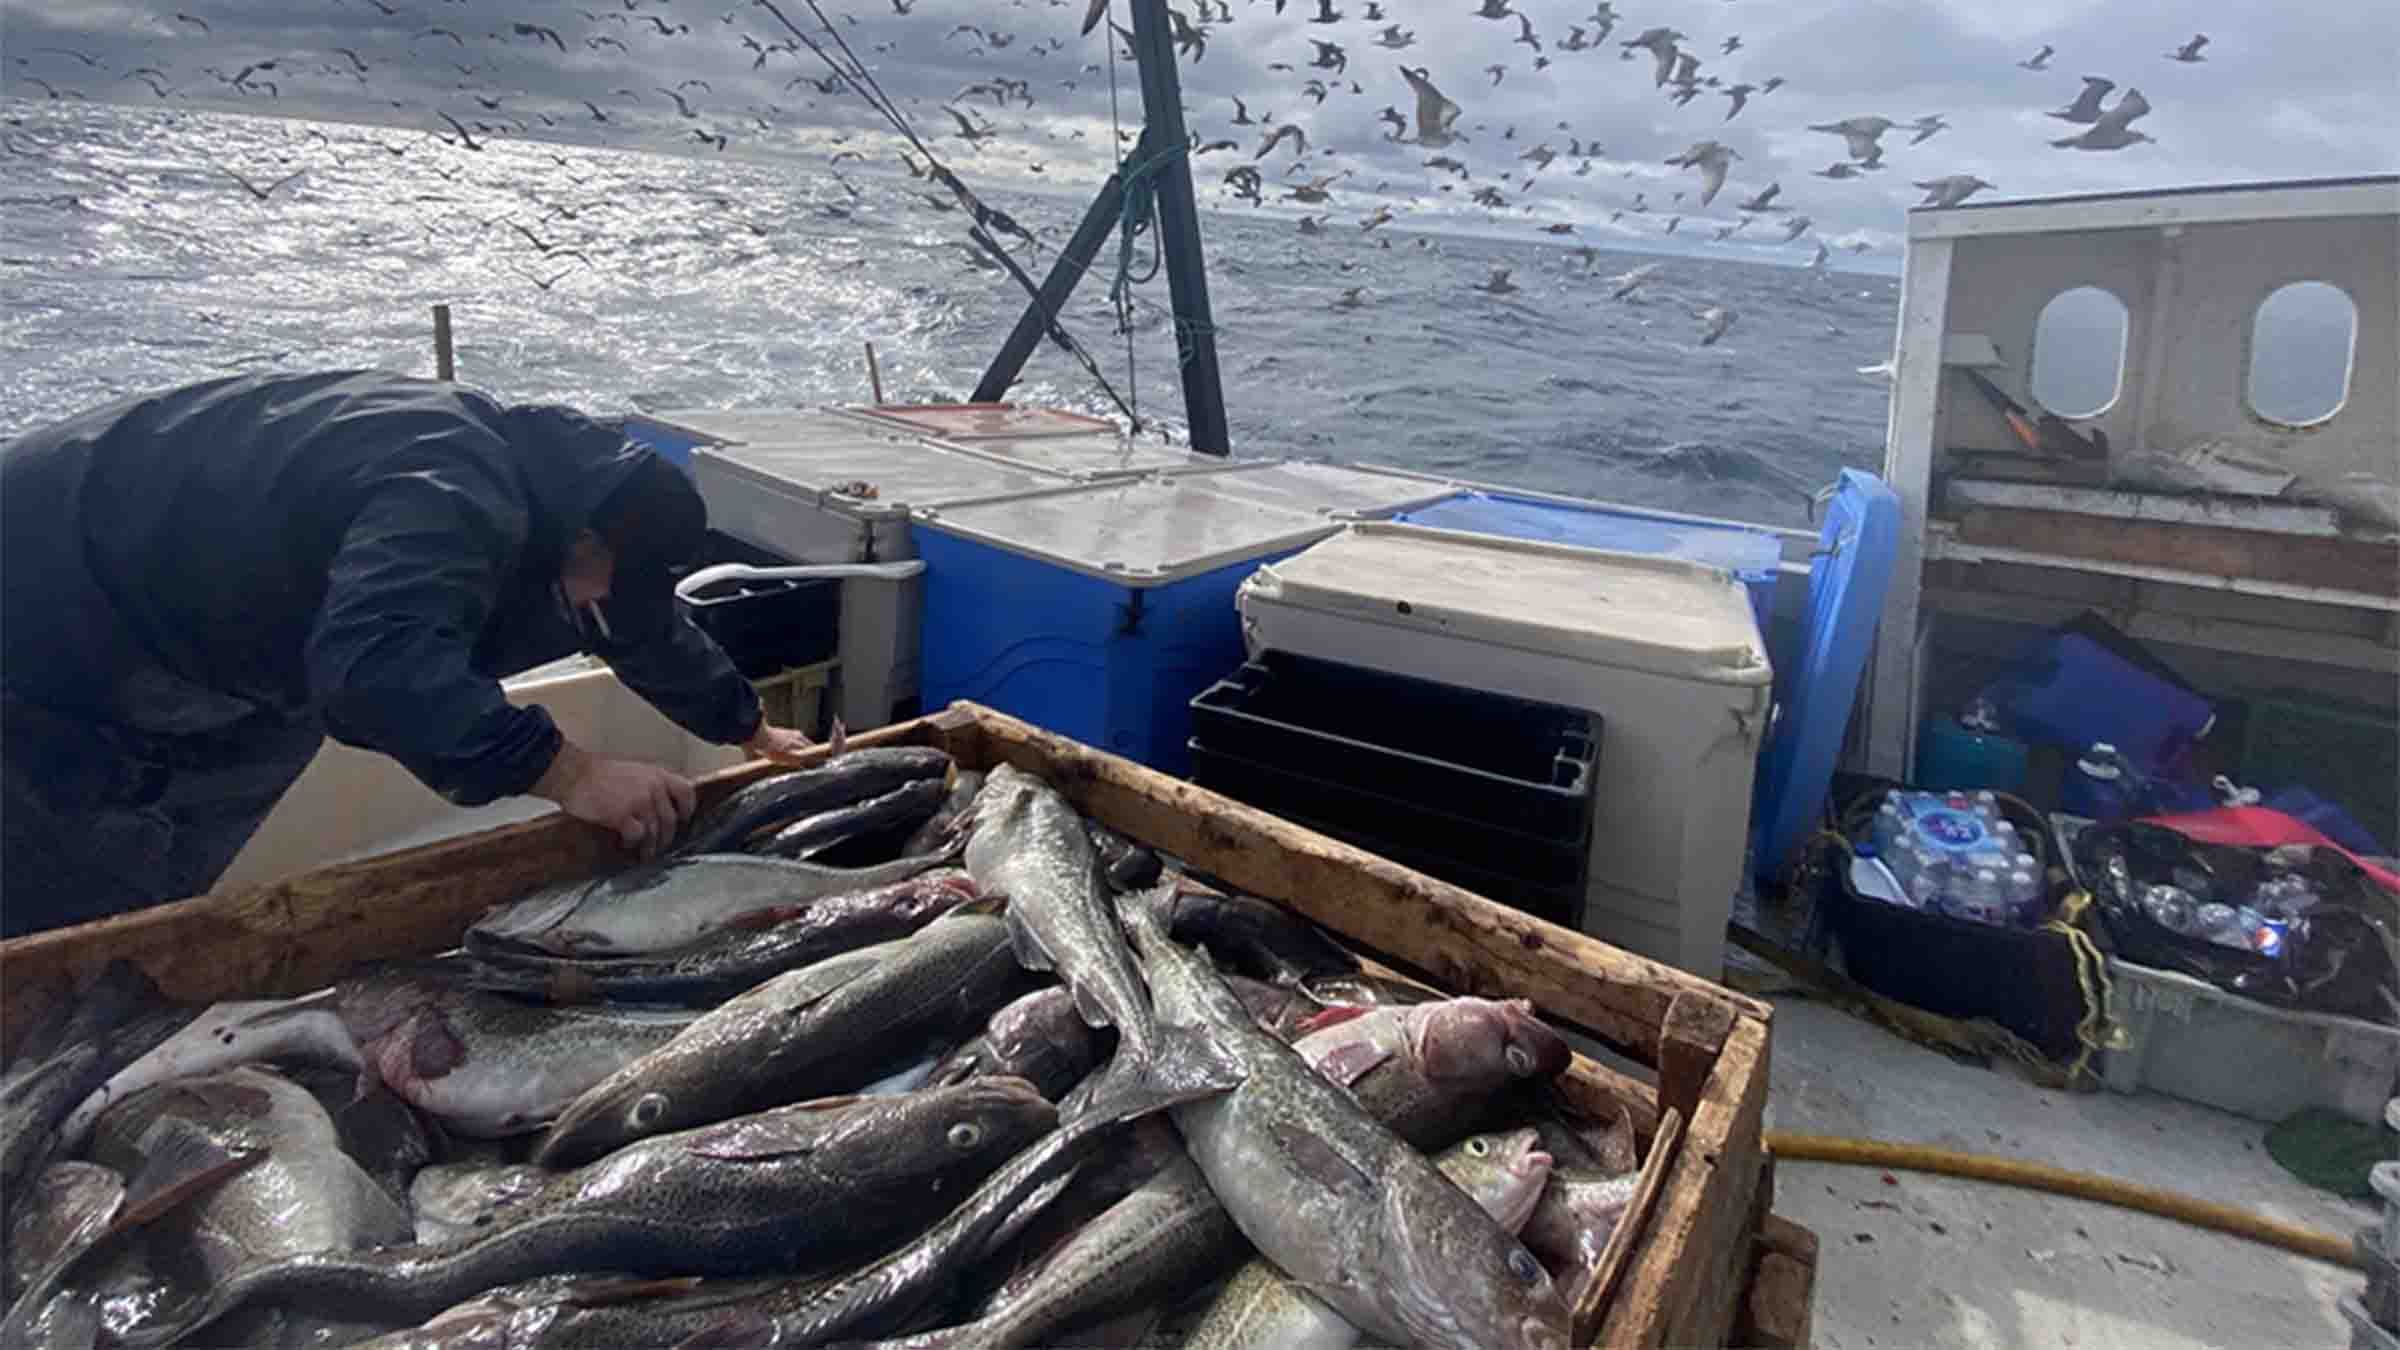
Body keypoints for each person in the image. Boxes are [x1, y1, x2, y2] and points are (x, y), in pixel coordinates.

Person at [1, 369, 817, 938]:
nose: (605, 602)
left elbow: (635, 624)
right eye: (605, 578)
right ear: (578, 539)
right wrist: (574, 774)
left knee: (180, 847)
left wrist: (747, 726)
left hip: (229, 630)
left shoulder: (575, 506)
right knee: (74, 874)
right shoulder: (450, 485)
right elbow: (372, 673)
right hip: (50, 598)